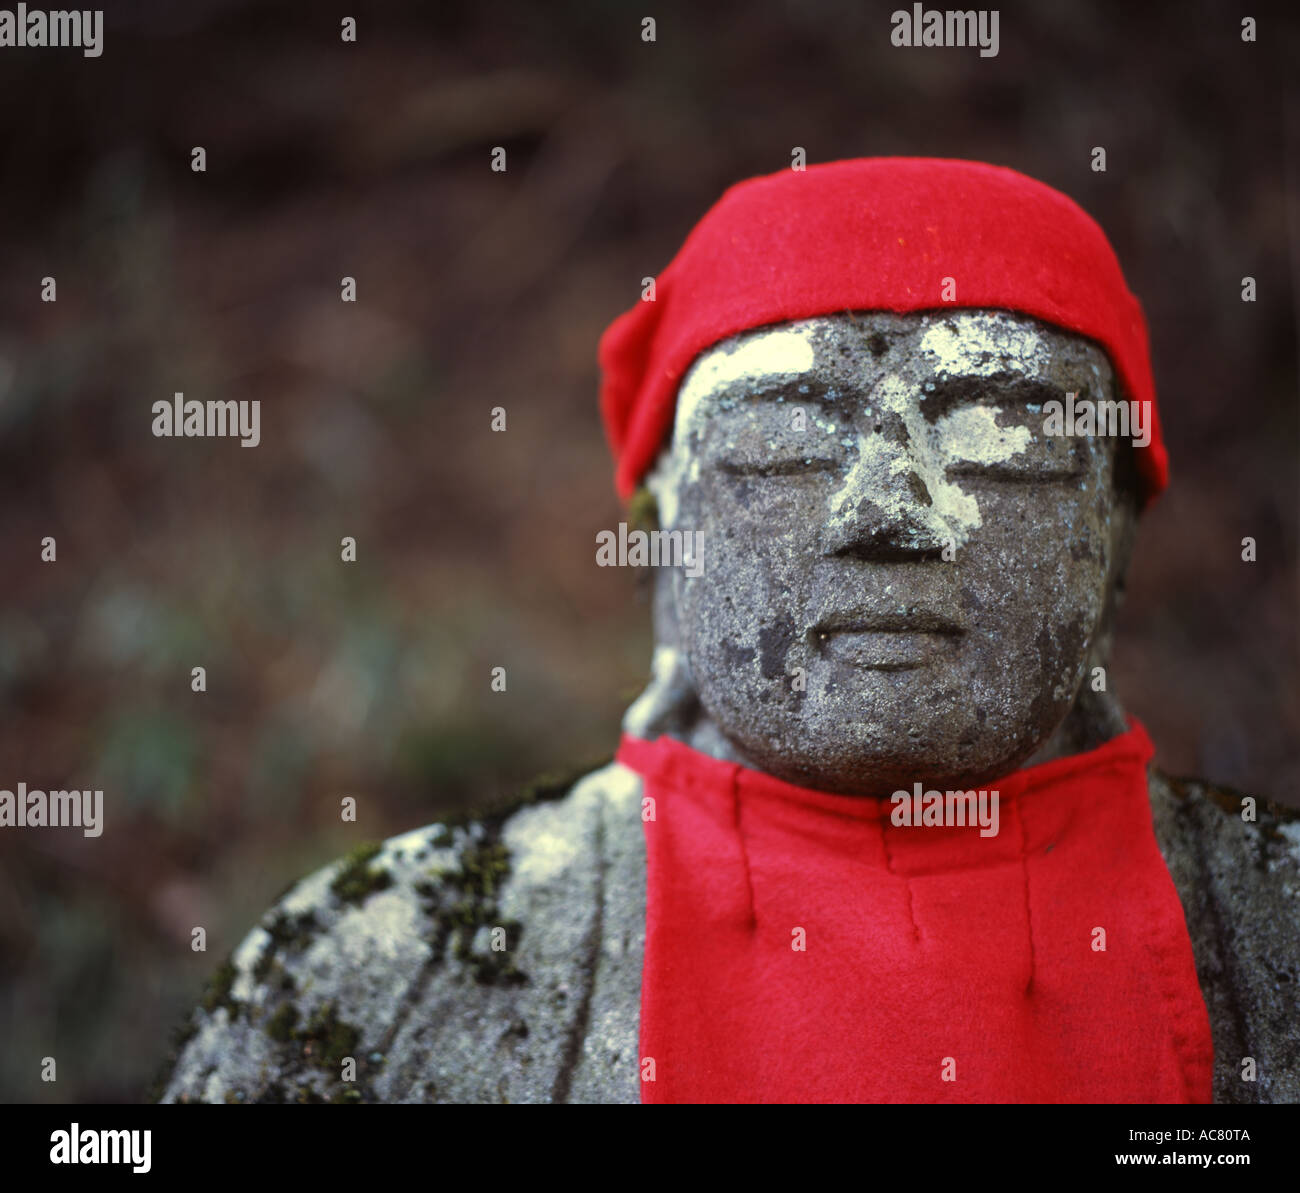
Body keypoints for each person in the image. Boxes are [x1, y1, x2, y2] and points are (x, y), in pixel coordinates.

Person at [157, 159, 1300, 1105]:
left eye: (998, 426)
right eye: (789, 431)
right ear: (668, 533)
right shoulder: (381, 972)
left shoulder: (1275, 928)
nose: (888, 508)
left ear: (1115, 530)